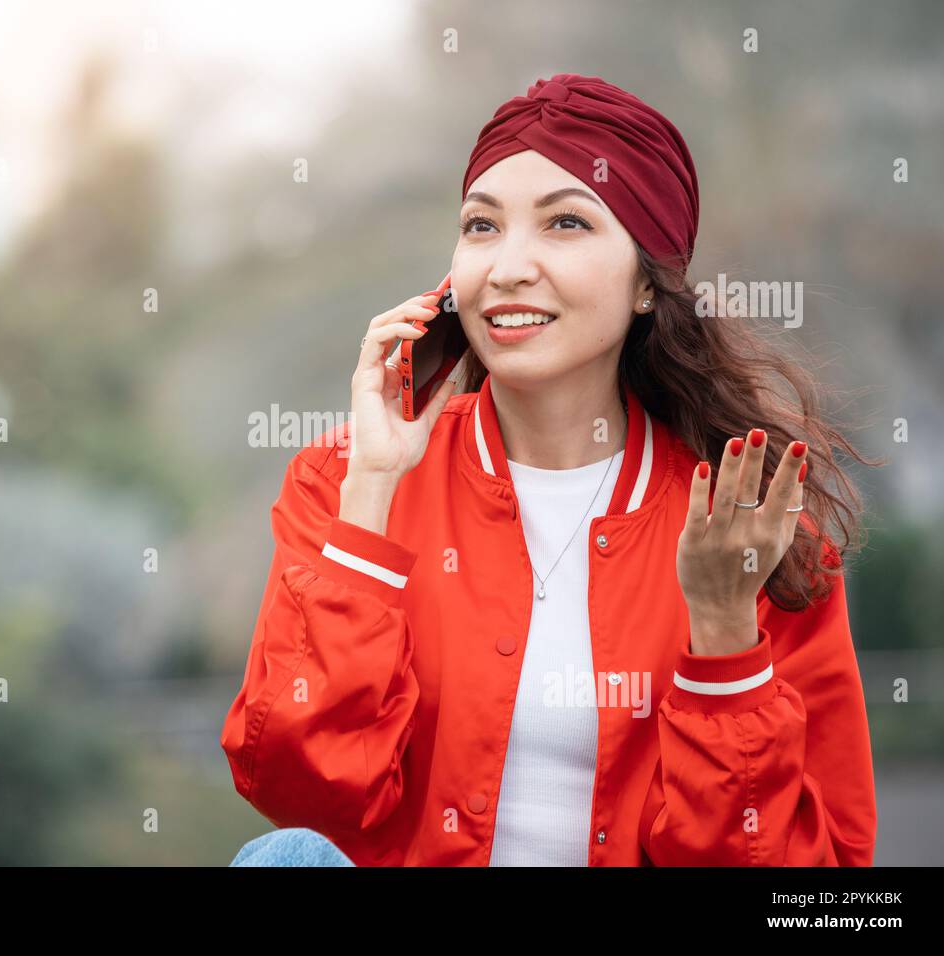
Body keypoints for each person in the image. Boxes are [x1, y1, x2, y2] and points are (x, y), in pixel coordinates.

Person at [221, 74, 880, 867]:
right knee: (290, 857)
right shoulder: (345, 478)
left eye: (566, 222)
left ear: (646, 282)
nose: (508, 267)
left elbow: (813, 879)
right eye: (481, 227)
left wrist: (723, 635)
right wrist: (372, 492)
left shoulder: (752, 523)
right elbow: (302, 789)